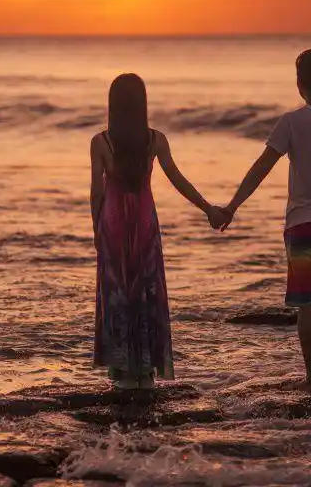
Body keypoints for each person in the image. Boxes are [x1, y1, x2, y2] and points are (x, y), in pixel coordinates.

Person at [218, 50, 311, 392]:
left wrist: (232, 205)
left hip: (302, 223)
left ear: (299, 83)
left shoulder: (291, 122)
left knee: (308, 306)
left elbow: (261, 167)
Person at [91, 73, 228, 390]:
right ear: (142, 105)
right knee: (147, 290)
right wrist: (208, 208)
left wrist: (97, 228)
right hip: (145, 223)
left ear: (113, 104)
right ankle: (145, 372)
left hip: (113, 225)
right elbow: (177, 179)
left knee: (117, 293)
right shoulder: (155, 140)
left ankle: (122, 371)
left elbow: (96, 192)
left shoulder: (101, 142)